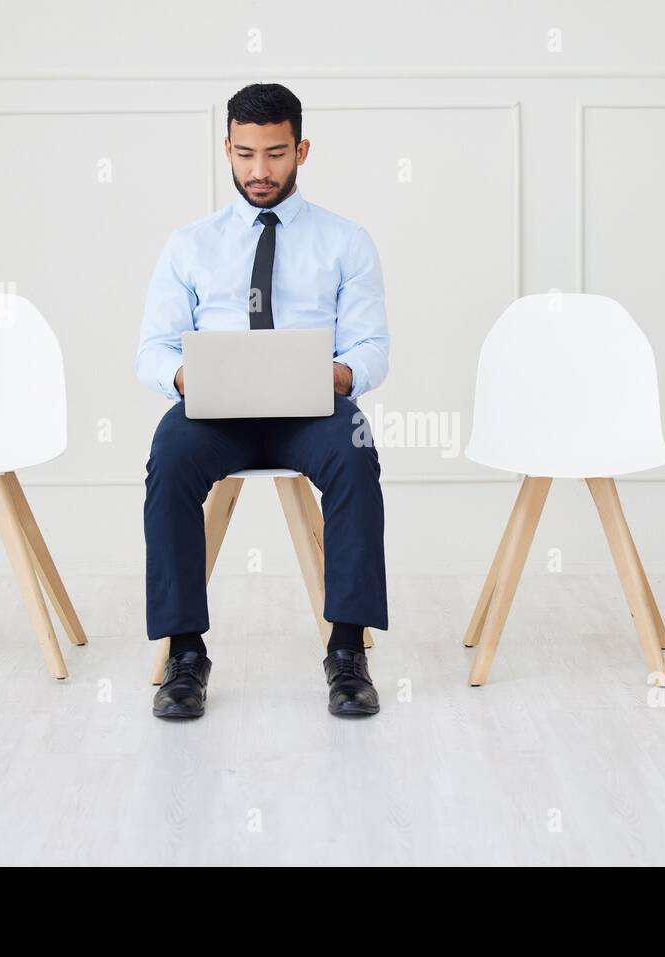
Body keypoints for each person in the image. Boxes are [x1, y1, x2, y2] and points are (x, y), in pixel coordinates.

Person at [136, 83, 390, 720]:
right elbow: (150, 353)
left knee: (356, 456)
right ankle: (186, 654)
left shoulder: (346, 241)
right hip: (217, 412)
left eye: (275, 154)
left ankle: (347, 651)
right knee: (168, 459)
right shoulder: (189, 244)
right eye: (245, 154)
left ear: (301, 149)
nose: (259, 171)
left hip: (312, 410)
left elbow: (373, 349)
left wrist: (332, 374)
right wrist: (192, 377)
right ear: (227, 148)